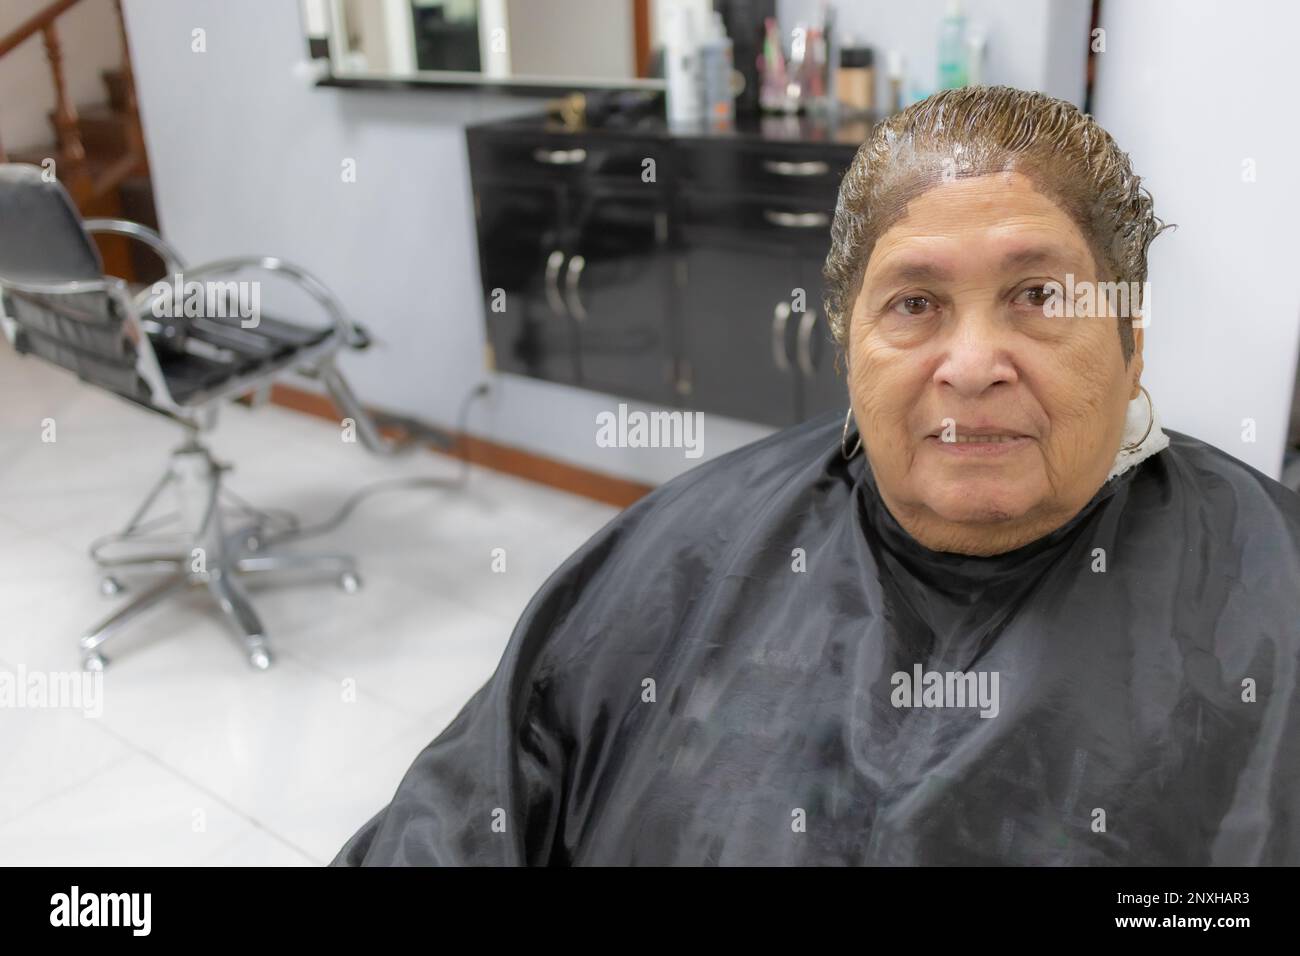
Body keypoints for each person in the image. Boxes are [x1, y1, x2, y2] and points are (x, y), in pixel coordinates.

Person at [335, 86, 1300, 865]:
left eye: (1038, 295)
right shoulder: (688, 545)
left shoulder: (1270, 590)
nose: (972, 364)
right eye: (914, 302)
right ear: (847, 349)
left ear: (1131, 343)